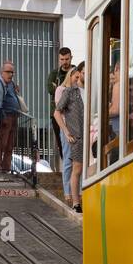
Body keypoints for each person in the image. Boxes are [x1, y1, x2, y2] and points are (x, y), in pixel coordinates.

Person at [53, 64, 85, 211]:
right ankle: (75, 202)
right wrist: (66, 131)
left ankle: (83, 197)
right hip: (77, 136)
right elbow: (56, 112)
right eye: (79, 75)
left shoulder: (91, 91)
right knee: (75, 168)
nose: (81, 77)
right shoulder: (69, 92)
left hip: (90, 135)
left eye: (84, 74)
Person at [47, 46, 73, 189]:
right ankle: (65, 172)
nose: (64, 62)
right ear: (59, 59)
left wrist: (58, 87)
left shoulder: (74, 70)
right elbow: (50, 89)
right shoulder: (54, 73)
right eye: (62, 59)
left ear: (71, 58)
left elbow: (56, 88)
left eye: (67, 59)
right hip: (56, 115)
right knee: (61, 143)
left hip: (72, 115)